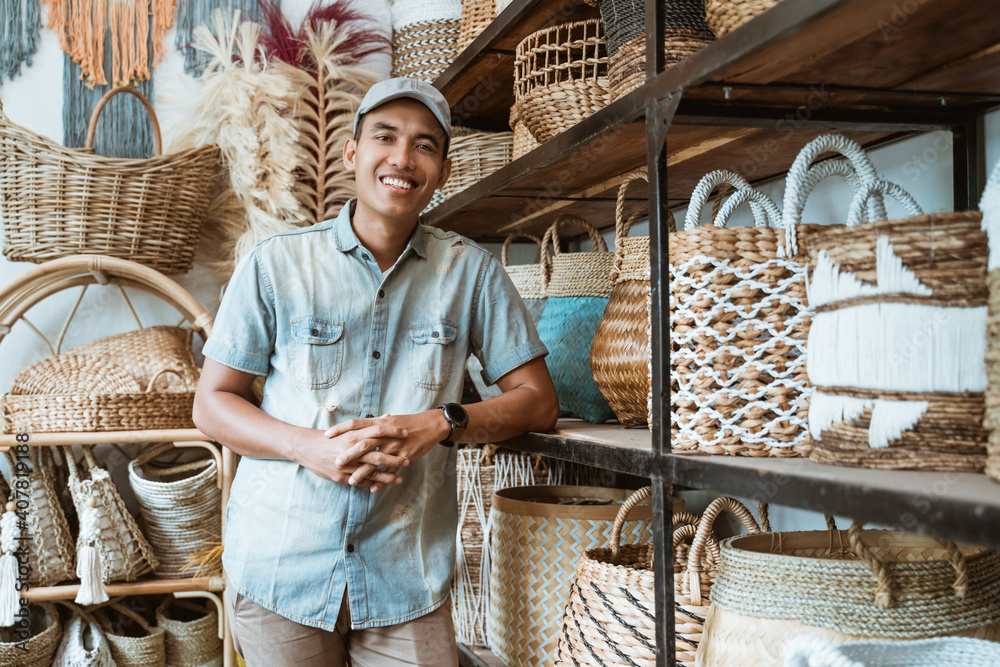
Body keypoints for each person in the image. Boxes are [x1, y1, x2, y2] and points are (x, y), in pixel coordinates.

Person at [193, 77, 559, 667]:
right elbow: (212, 402)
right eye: (384, 137)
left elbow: (537, 401)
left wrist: (441, 422)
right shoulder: (276, 263)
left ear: (442, 169)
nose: (402, 159)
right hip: (283, 569)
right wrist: (307, 446)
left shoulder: (472, 274)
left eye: (424, 145)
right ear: (351, 152)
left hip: (406, 576)